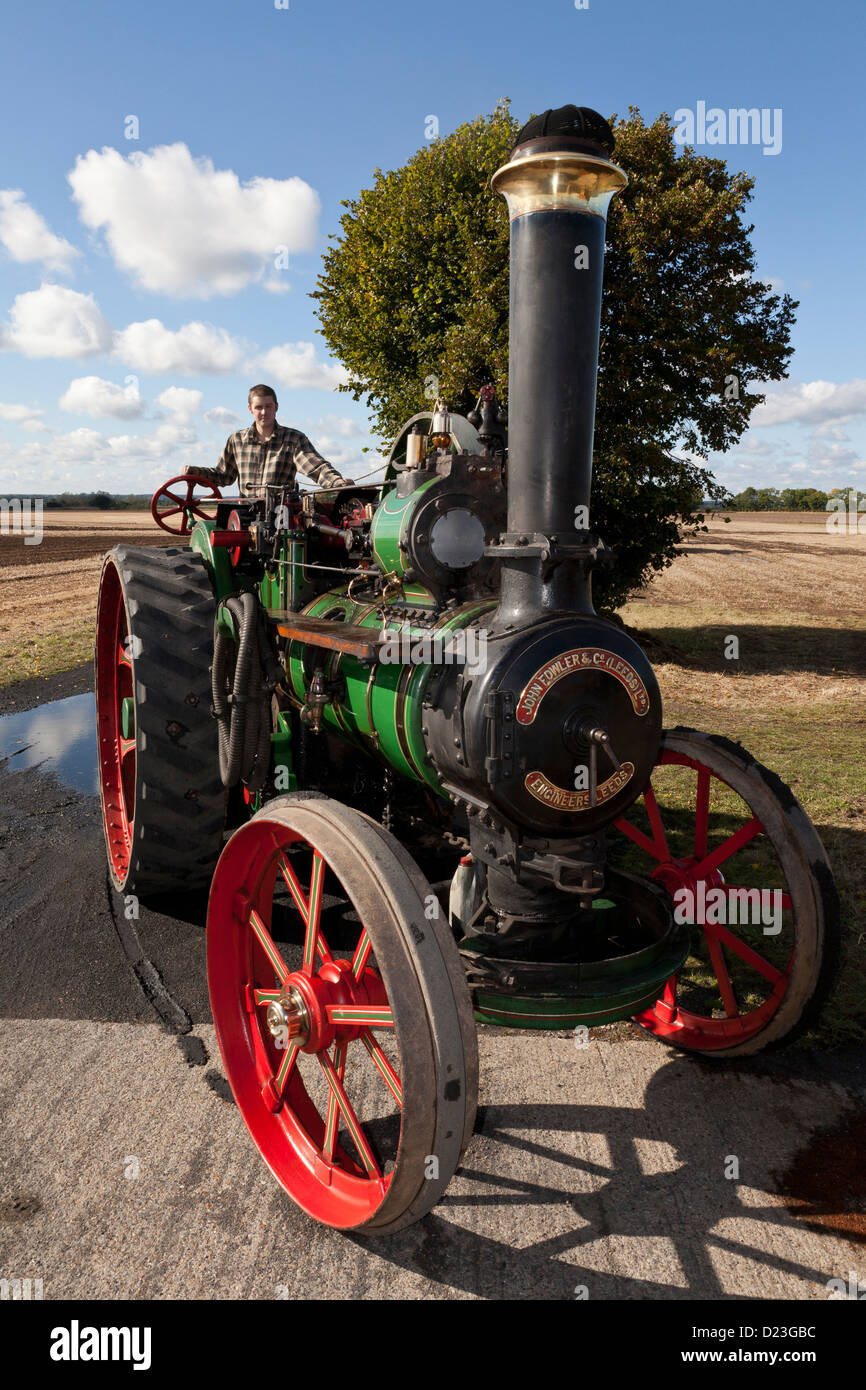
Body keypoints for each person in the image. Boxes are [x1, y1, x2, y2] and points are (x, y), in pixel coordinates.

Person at [186, 384, 354, 496]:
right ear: (250, 409)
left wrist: (337, 483)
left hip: (281, 517)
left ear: (276, 407)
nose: (264, 412)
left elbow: (316, 467)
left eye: (268, 406)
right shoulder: (236, 440)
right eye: (259, 407)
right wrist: (194, 472)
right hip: (245, 515)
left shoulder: (293, 439)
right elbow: (223, 476)